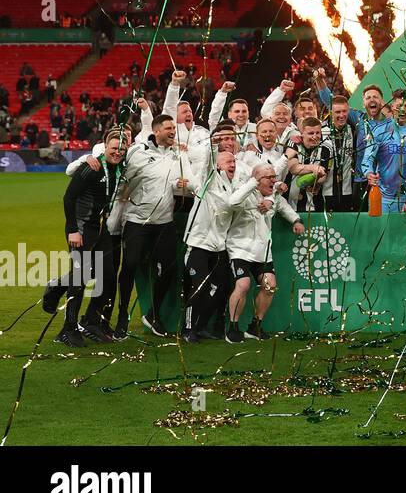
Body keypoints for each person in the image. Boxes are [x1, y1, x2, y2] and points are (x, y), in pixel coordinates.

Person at [44, 130, 126, 346]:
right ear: (104, 147)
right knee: (81, 277)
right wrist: (73, 229)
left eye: (121, 149)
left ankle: (89, 320)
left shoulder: (118, 167)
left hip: (101, 229)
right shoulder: (91, 167)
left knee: (107, 276)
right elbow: (68, 197)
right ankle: (67, 329)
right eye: (114, 148)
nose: (117, 152)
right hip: (81, 228)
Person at [116, 114, 189, 337]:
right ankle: (121, 318)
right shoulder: (139, 153)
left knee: (169, 270)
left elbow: (181, 183)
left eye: (173, 129)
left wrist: (181, 185)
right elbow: (123, 181)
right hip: (137, 221)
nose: (172, 132)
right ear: (156, 130)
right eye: (168, 128)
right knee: (128, 266)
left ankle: (153, 314)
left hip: (164, 222)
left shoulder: (177, 155)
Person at [181, 135, 252, 342]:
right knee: (200, 286)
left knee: (219, 290)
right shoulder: (207, 183)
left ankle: (201, 326)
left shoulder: (233, 187)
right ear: (218, 165)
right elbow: (208, 164)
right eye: (228, 161)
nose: (233, 164)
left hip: (219, 247)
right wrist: (213, 146)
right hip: (198, 245)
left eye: (234, 161)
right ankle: (187, 329)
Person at [224, 164, 304, 342]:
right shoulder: (244, 192)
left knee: (270, 285)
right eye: (269, 177)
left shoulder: (273, 197)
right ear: (257, 179)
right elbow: (232, 202)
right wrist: (253, 183)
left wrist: (296, 221)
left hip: (262, 251)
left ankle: (255, 326)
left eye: (275, 176)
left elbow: (285, 209)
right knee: (243, 285)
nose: (274, 180)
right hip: (240, 249)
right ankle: (233, 327)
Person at [360, 89, 406, 214]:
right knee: (380, 233)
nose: (403, 110)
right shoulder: (380, 130)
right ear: (392, 106)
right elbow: (367, 160)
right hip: (384, 199)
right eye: (399, 106)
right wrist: (369, 174)